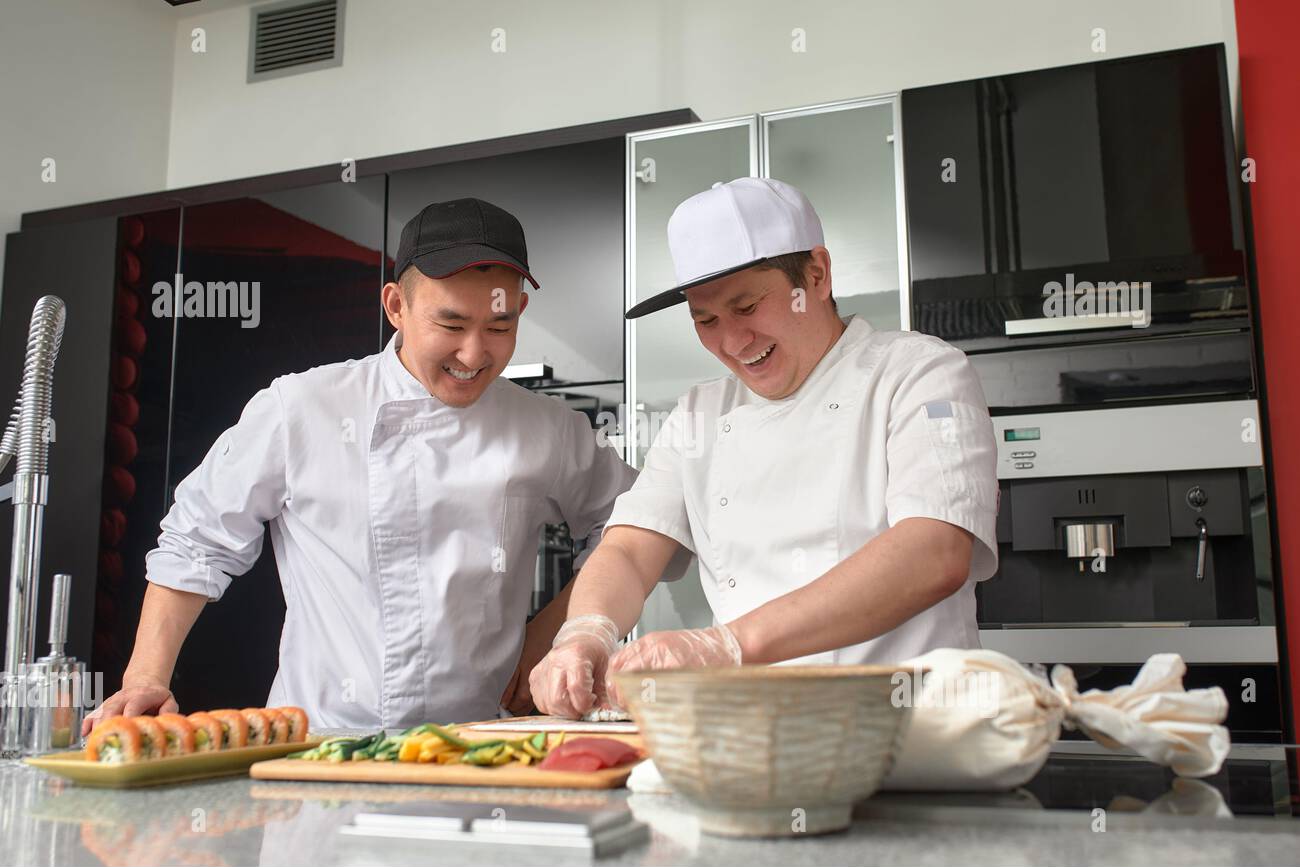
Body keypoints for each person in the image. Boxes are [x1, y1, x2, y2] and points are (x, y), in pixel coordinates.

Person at [84, 197, 635, 733]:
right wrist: (145, 677)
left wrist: (557, 632)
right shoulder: (302, 407)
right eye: (450, 325)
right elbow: (196, 542)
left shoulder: (548, 428)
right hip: (320, 746)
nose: (474, 354)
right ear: (396, 306)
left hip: (477, 747)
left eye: (498, 327)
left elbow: (637, 530)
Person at [529, 177, 999, 717]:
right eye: (704, 320)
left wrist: (727, 646)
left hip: (911, 735)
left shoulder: (920, 374)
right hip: (755, 740)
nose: (731, 341)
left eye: (747, 306)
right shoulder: (699, 414)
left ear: (816, 275)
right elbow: (631, 551)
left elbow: (933, 553)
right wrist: (585, 631)